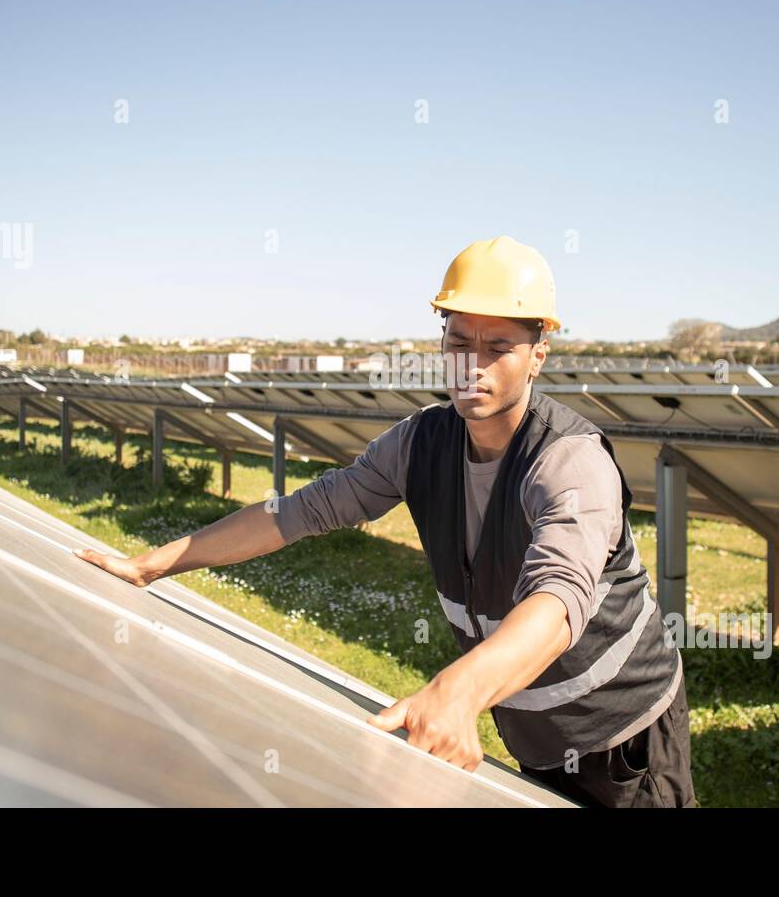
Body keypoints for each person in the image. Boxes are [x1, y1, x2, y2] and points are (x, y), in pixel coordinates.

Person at [76, 235, 696, 808]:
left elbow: (560, 598)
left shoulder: (569, 461)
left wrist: (459, 693)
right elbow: (299, 513)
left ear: (537, 355)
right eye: (459, 344)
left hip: (625, 738)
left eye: (498, 348)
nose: (472, 365)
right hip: (529, 729)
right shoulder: (418, 443)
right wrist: (161, 560)